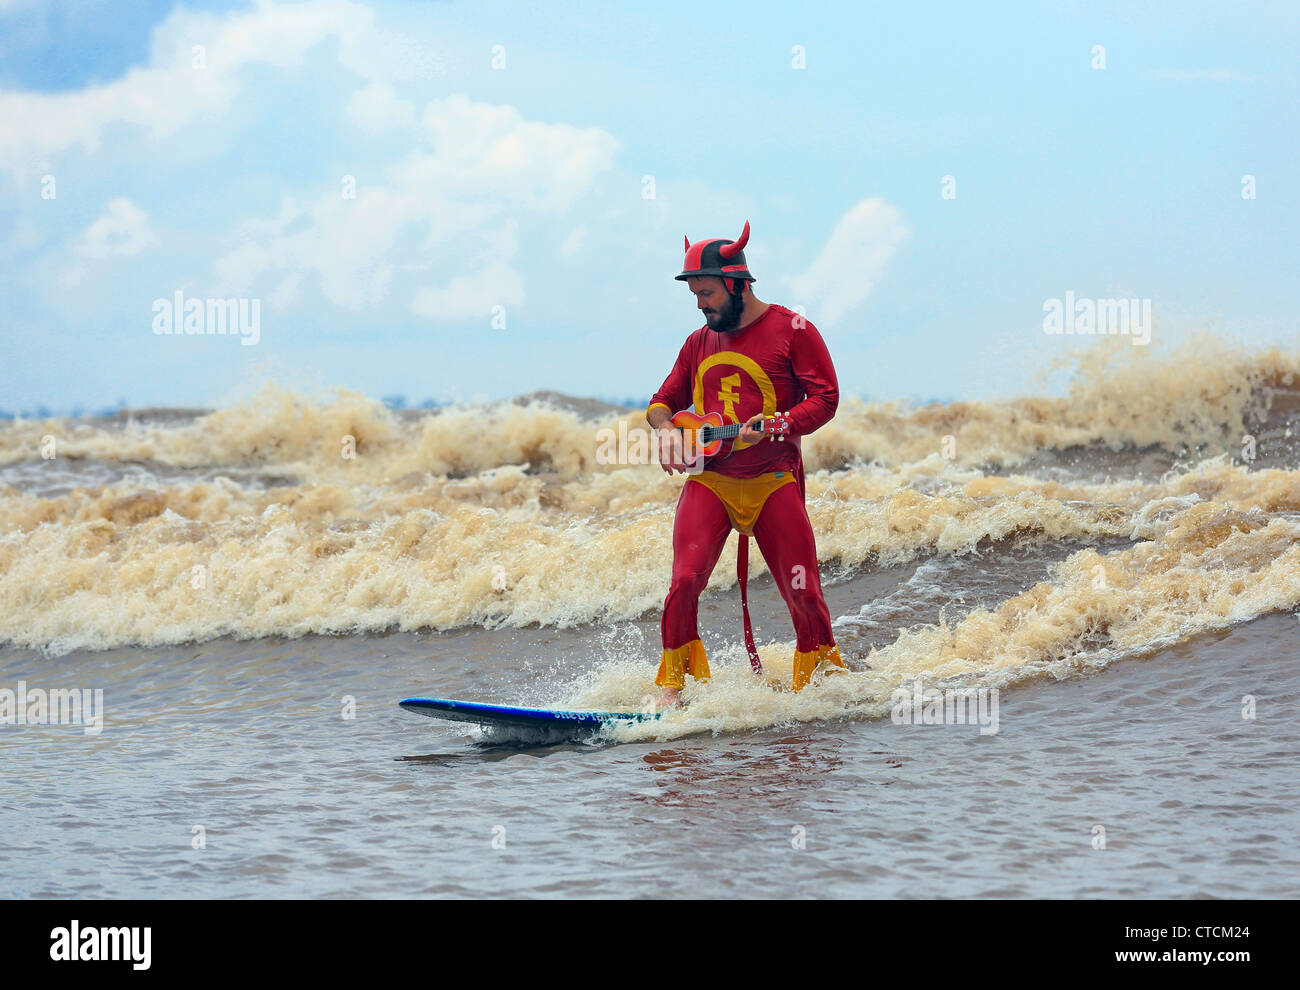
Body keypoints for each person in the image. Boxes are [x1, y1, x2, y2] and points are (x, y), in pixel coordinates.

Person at [647, 221, 846, 708]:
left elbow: (826, 398)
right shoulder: (698, 343)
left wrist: (780, 424)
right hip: (712, 481)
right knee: (684, 582)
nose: (701, 305)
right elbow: (661, 401)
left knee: (803, 591)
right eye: (695, 295)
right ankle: (674, 691)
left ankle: (822, 686)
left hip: (773, 479)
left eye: (707, 293)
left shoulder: (793, 330)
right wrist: (665, 428)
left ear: (737, 284)